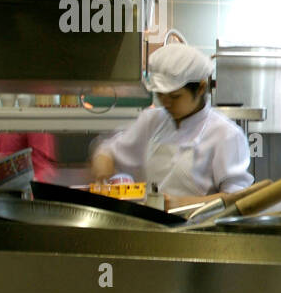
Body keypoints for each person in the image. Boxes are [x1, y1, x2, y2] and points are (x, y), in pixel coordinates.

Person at [90, 42, 253, 208]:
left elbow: (236, 197)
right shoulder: (152, 121)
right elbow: (107, 150)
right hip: (151, 223)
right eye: (161, 95)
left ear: (201, 88)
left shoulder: (226, 134)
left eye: (175, 97)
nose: (166, 103)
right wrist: (103, 176)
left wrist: (182, 203)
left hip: (198, 228)